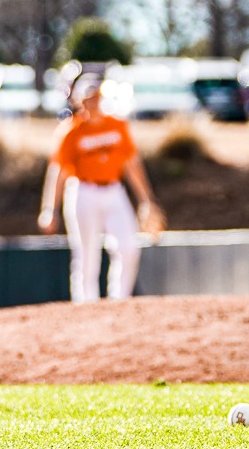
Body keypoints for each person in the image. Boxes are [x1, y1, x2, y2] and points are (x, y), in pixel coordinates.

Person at [37, 74, 166, 302]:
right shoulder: (70, 131)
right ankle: (86, 305)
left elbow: (132, 165)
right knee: (86, 253)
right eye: (89, 97)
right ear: (79, 100)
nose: (94, 102)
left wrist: (147, 199)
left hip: (114, 190)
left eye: (97, 96)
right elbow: (58, 171)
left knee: (128, 246)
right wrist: (50, 209)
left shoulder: (117, 125)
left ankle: (120, 300)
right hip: (83, 191)